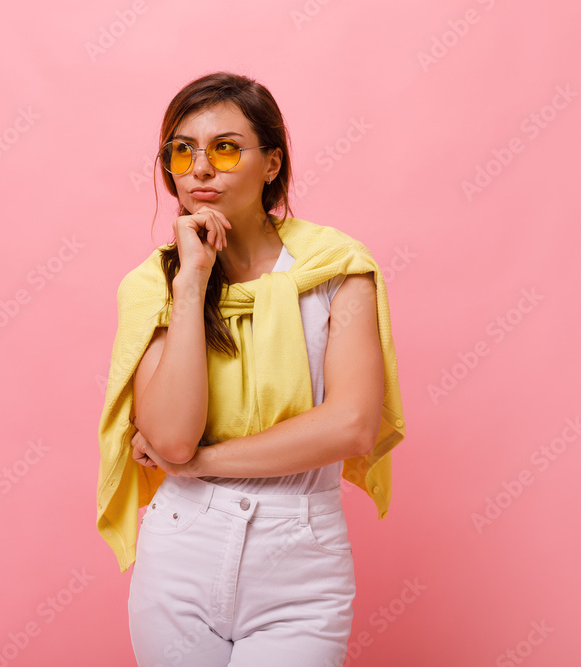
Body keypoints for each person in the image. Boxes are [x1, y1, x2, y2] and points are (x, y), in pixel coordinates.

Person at [95, 71, 407, 666]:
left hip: (300, 561)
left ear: (271, 164)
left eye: (225, 148)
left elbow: (350, 428)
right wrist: (191, 282)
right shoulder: (152, 283)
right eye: (182, 151)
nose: (200, 169)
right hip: (181, 551)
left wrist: (200, 463)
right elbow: (171, 436)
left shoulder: (337, 268)